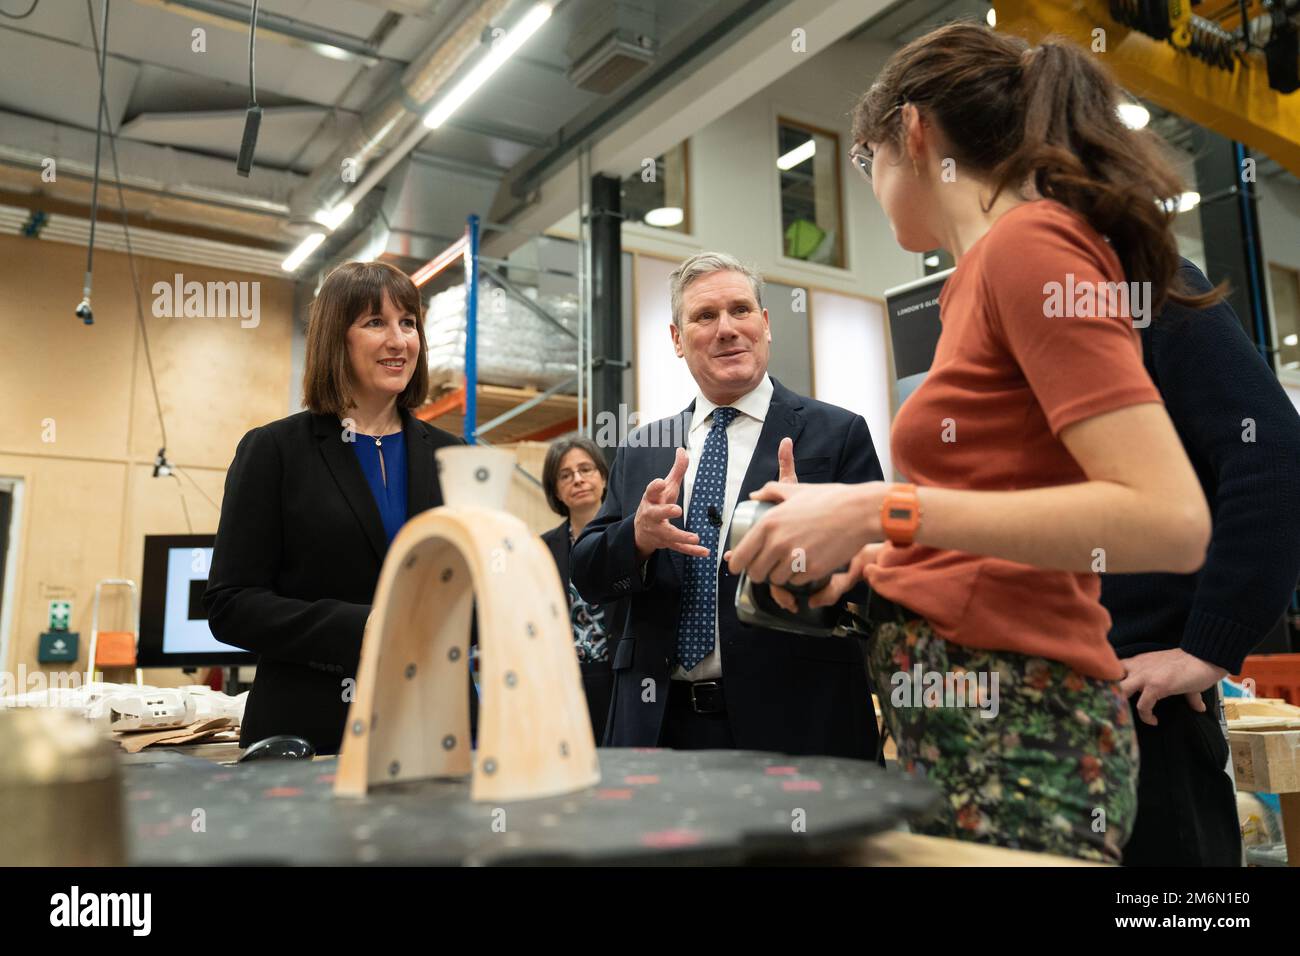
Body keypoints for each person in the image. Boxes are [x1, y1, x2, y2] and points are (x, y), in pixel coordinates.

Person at [728, 22, 1216, 863]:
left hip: (1021, 722)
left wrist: (879, 507)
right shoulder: (978, 280)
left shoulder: (1029, 246)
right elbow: (1002, 517)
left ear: (911, 133)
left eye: (865, 161)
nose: (873, 188)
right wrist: (869, 560)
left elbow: (1166, 519)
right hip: (969, 713)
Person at [570, 251, 884, 759]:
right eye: (704, 316)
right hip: (657, 726)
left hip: (795, 722)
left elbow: (879, 572)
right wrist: (637, 538)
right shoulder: (644, 447)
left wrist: (812, 547)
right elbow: (588, 573)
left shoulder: (837, 434)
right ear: (677, 339)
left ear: (765, 324)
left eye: (740, 310)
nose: (726, 329)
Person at [204, 261, 461, 754]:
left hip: (434, 727)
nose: (399, 341)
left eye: (408, 323)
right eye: (375, 323)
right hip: (311, 731)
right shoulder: (275, 451)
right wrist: (359, 627)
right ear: (334, 339)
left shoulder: (454, 456)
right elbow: (230, 603)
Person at [1100, 258, 1300, 866]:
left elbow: (1273, 456)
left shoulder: (1140, 281)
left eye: (870, 155)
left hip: (1143, 709)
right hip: (1046, 711)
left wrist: (1208, 648)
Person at [539, 434, 624, 743]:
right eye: (565, 475)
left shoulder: (629, 538)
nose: (578, 479)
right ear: (556, 491)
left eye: (586, 469)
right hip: (563, 681)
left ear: (603, 477)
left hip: (619, 676)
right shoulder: (541, 549)